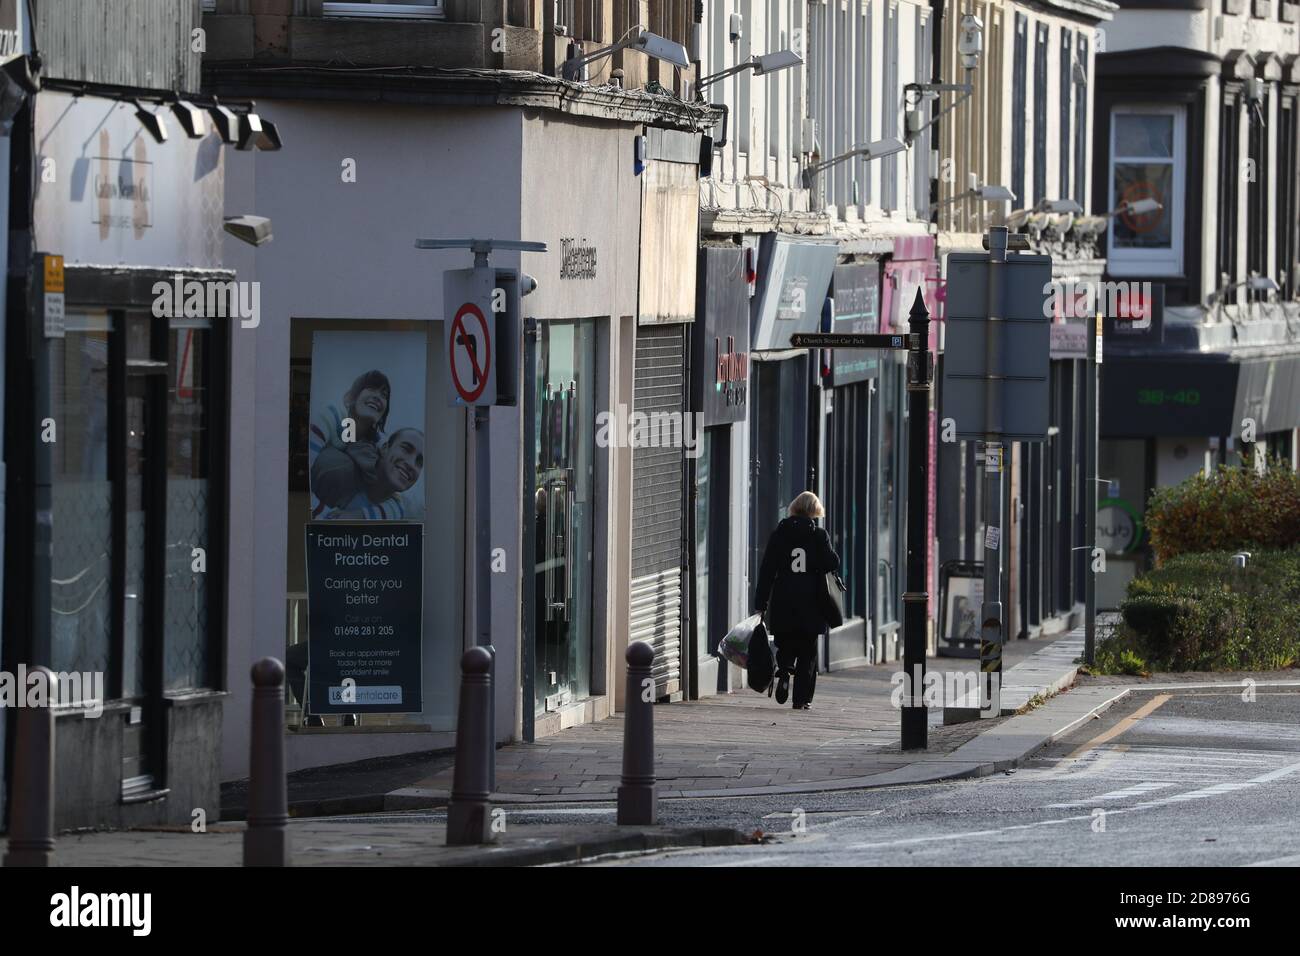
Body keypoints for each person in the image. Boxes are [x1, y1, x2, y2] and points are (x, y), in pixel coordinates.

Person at [754, 491, 840, 710]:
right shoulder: (819, 536)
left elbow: (767, 570)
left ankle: (783, 670)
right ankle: (801, 699)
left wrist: (761, 603)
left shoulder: (779, 534)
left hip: (783, 599)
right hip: (812, 602)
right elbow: (833, 562)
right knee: (808, 653)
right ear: (814, 510)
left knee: (786, 644)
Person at [309, 370, 392, 517]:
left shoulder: (378, 445)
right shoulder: (331, 416)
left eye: (384, 395)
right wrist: (328, 518)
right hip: (323, 513)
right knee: (337, 461)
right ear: (350, 398)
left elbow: (397, 501)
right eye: (371, 388)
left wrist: (359, 515)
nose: (378, 396)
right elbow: (306, 477)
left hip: (353, 513)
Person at [320, 427, 425, 520]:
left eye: (419, 462)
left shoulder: (405, 509)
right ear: (384, 448)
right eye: (406, 449)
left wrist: (360, 515)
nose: (411, 463)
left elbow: (402, 507)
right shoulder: (342, 470)